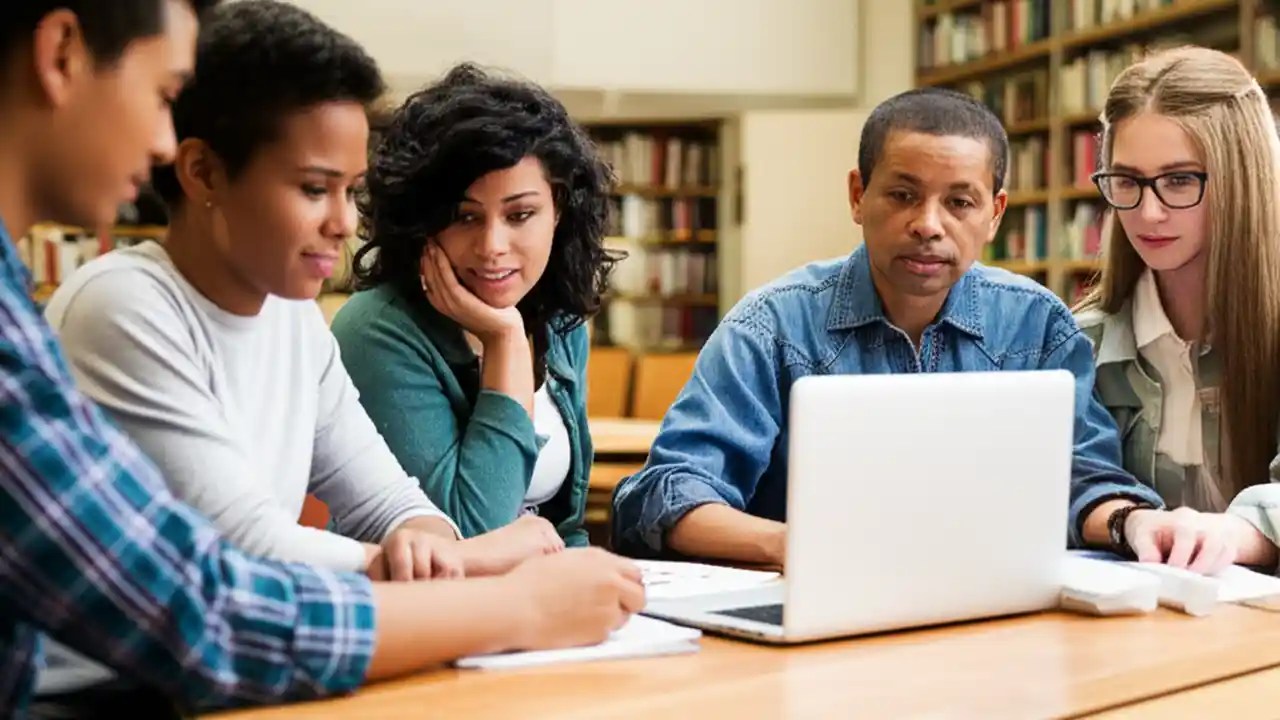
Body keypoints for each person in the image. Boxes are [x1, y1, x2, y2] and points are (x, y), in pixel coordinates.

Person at [0, 1, 641, 717]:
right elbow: (230, 568)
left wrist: (437, 547)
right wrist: (489, 585)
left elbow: (392, 504)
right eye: (314, 189)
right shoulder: (119, 304)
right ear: (204, 173)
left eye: (349, 191)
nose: (341, 224)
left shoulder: (292, 315)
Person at [610, 87, 1234, 572]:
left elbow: (1083, 478)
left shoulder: (1037, 326)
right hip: (811, 618)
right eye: (902, 195)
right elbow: (666, 493)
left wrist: (1131, 522)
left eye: (959, 202)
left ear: (995, 213)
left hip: (985, 615)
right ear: (858, 195)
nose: (928, 225)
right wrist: (795, 547)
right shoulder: (771, 326)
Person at [330, 63, 618, 545]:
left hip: (534, 586)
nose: (492, 247)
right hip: (424, 591)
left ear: (558, 208)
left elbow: (564, 526)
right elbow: (468, 536)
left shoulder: (560, 321)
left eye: (520, 214)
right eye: (464, 217)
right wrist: (505, 341)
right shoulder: (376, 330)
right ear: (422, 222)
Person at [1074, 46, 1280, 575]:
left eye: (1180, 180)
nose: (1148, 212)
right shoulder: (1079, 344)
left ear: (1242, 179)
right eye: (1127, 181)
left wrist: (1232, 535)